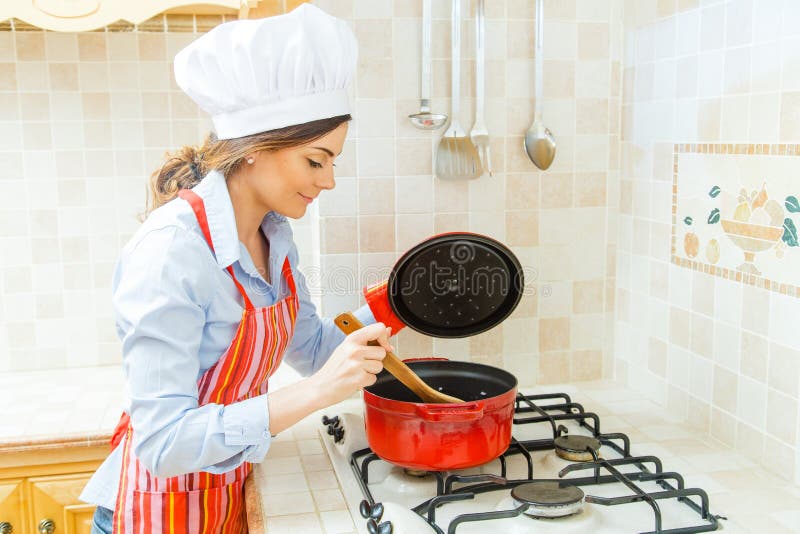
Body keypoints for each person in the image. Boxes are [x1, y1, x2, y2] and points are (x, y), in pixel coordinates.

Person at [80, 5, 405, 533]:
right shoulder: (173, 251)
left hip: (223, 492)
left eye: (332, 163)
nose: (328, 182)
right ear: (256, 148)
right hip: (155, 510)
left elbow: (318, 352)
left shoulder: (273, 236)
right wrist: (318, 393)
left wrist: (398, 300)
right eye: (315, 161)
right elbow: (163, 441)